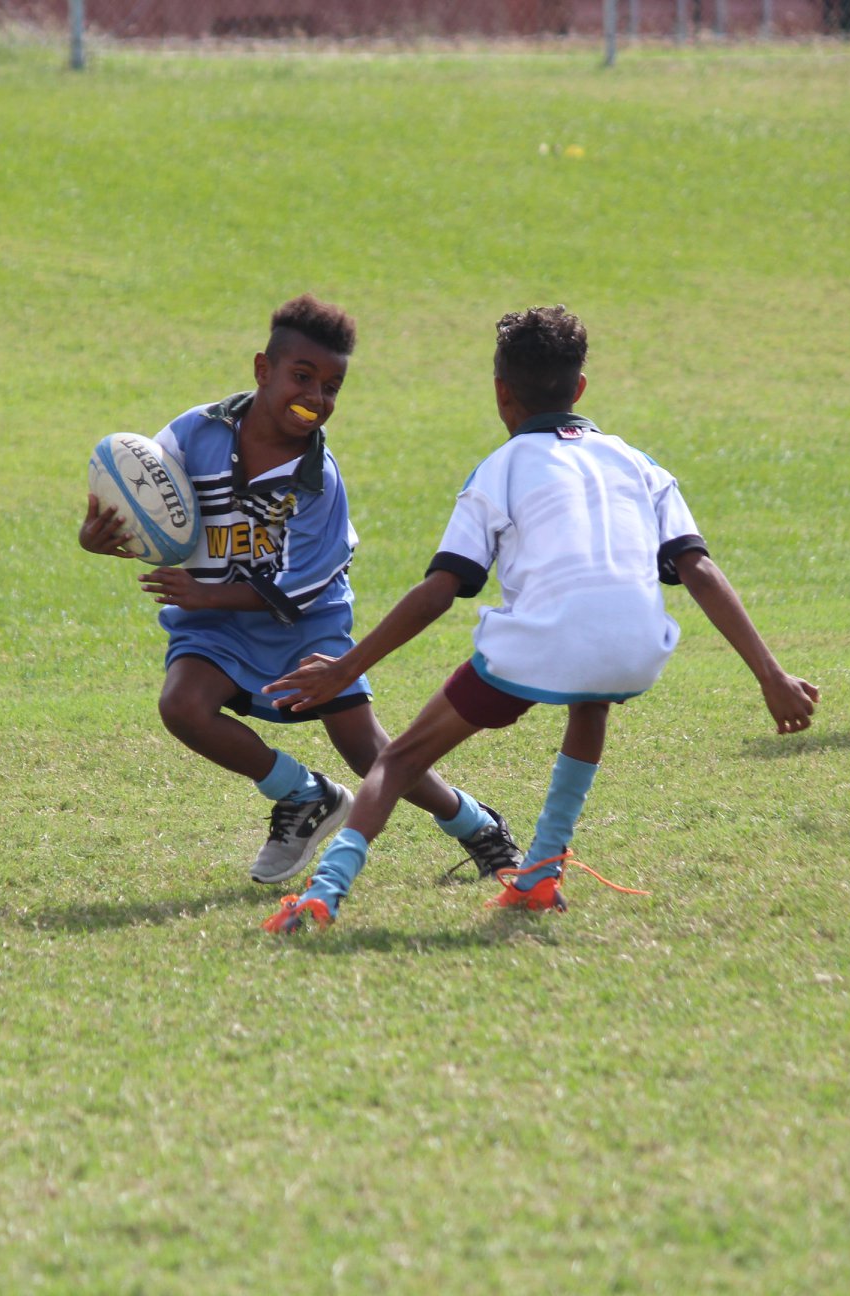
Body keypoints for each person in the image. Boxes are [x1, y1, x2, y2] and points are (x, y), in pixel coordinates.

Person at [259, 306, 819, 932]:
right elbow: (701, 571)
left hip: (536, 649)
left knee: (397, 761)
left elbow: (441, 590)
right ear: (579, 388)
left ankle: (324, 893)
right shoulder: (640, 463)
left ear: (501, 394)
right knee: (592, 698)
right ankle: (542, 869)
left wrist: (348, 667)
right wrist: (771, 676)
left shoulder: (499, 470)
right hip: (637, 651)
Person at [77, 295, 523, 883]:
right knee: (182, 706)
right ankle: (304, 795)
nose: (316, 398)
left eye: (332, 387)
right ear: (263, 370)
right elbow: (146, 499)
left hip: (305, 624)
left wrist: (206, 595)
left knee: (367, 751)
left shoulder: (318, 481)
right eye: (302, 377)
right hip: (216, 624)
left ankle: (475, 826)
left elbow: (297, 591)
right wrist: (104, 533)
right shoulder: (195, 432)